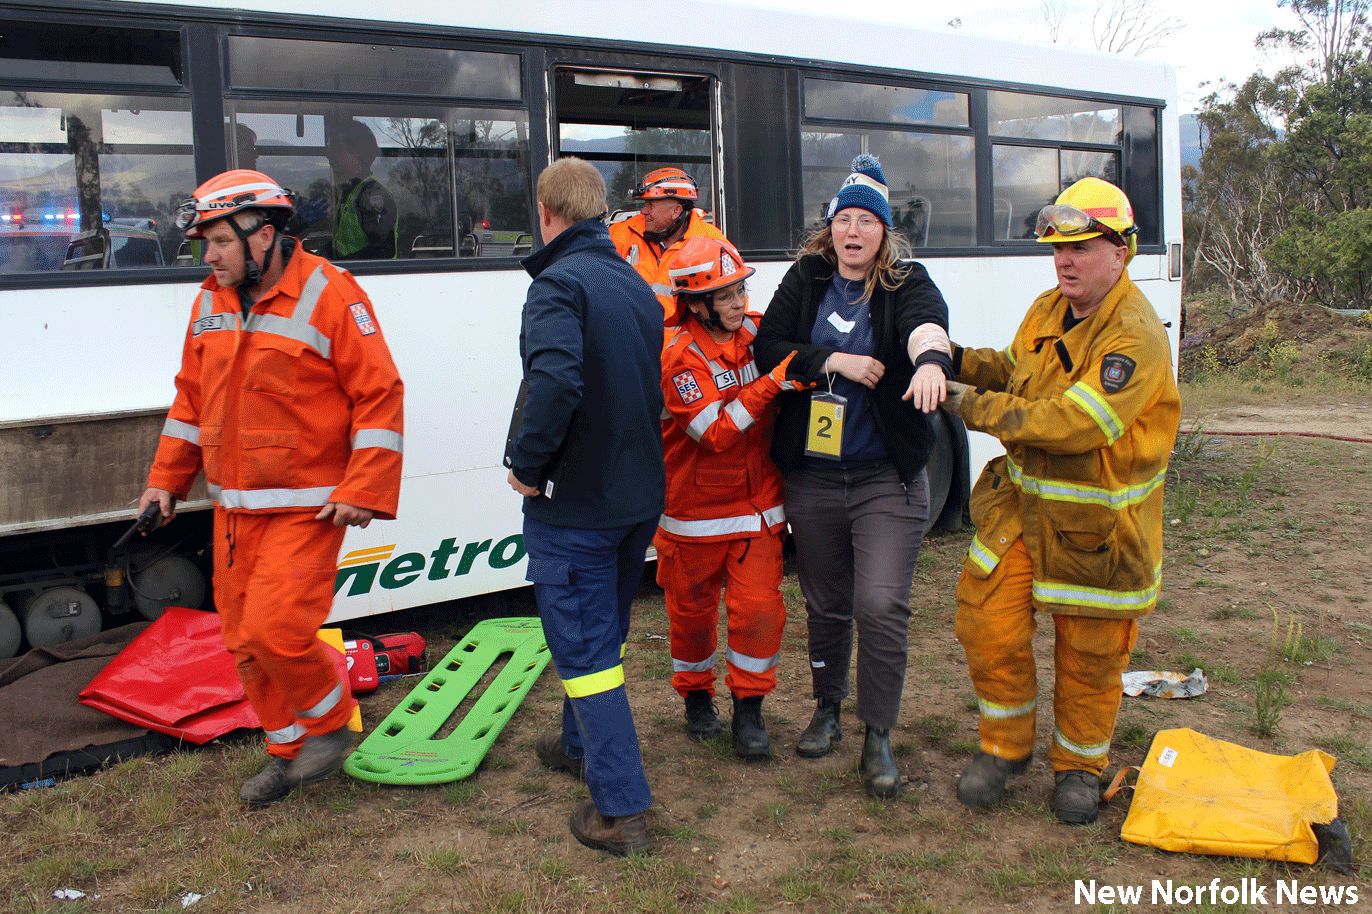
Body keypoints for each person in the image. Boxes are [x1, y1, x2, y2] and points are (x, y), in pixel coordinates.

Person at [139, 169, 404, 806]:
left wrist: (364, 486)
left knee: (275, 631)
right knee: (243, 643)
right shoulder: (209, 303)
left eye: (219, 242)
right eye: (205, 244)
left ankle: (331, 724)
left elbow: (379, 394)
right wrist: (165, 481)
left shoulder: (330, 293)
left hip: (308, 508)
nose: (209, 257)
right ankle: (288, 754)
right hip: (234, 510)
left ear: (263, 235)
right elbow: (190, 400)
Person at [931, 177, 1180, 825]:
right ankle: (1005, 749)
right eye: (1059, 249)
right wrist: (956, 358)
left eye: (1081, 249)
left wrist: (968, 404)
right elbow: (1016, 370)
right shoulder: (1048, 308)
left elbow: (1075, 424)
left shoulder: (1135, 336)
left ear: (1120, 253)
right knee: (986, 623)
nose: (1065, 262)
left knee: (1091, 657)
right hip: (1022, 510)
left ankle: (1078, 768)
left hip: (1100, 531)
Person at [754, 155, 952, 798]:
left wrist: (930, 362)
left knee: (880, 603)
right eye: (845, 220)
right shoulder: (808, 276)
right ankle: (827, 709)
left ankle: (878, 734)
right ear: (830, 227)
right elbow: (768, 347)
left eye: (867, 221)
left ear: (884, 231)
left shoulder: (904, 279)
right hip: (813, 476)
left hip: (884, 478)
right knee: (826, 603)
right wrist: (833, 360)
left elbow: (927, 325)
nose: (854, 231)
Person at [506, 156, 665, 857]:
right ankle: (577, 745)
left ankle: (620, 811)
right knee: (605, 636)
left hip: (577, 507)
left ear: (546, 213)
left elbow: (556, 381)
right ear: (600, 211)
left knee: (586, 652)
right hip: (635, 500)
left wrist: (527, 465)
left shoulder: (557, 285)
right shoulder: (633, 283)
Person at [657, 236, 813, 759]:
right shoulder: (680, 358)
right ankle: (697, 698)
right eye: (724, 295)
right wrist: (772, 384)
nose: (738, 302)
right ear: (695, 303)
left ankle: (750, 710)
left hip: (757, 510)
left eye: (740, 290)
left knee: (761, 612)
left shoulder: (755, 331)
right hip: (694, 516)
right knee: (691, 617)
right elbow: (715, 432)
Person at [608, 166, 727, 319]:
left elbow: (730, 303)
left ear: (676, 211)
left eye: (650, 205)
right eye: (645, 204)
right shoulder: (619, 234)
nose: (643, 211)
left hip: (683, 335)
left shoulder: (711, 242)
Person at [325, 118, 397, 260]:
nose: (328, 155)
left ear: (356, 152)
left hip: (368, 274)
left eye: (335, 149)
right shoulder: (350, 191)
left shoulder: (372, 195)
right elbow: (345, 243)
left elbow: (384, 250)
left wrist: (341, 264)